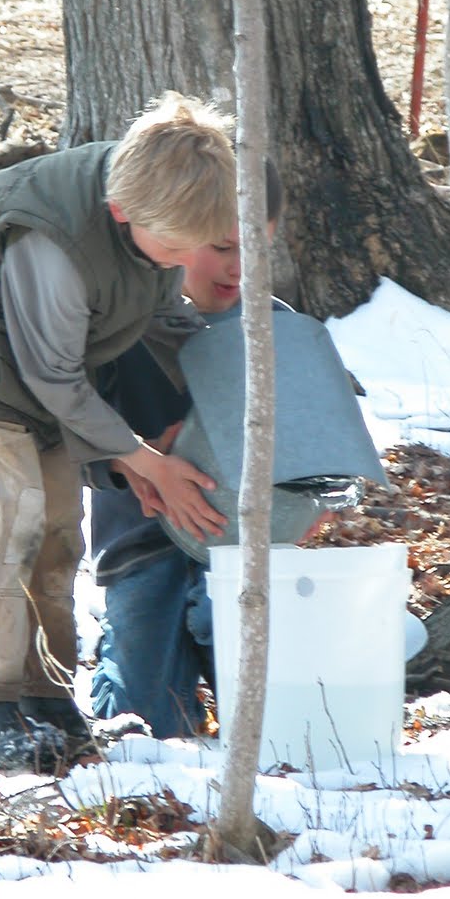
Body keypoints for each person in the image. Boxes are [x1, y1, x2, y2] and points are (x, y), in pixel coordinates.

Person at [0, 92, 233, 771]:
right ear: (122, 213)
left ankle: (48, 694)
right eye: (174, 248)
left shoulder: (156, 223)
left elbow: (142, 318)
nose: (181, 259)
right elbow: (53, 376)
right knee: (5, 522)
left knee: (59, 531)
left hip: (55, 368)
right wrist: (143, 460)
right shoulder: (52, 240)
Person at [88, 163, 284, 738]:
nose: (239, 266)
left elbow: (323, 448)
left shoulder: (277, 331)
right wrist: (138, 458)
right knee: (144, 725)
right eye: (222, 245)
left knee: (268, 717)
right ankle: (120, 654)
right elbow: (81, 439)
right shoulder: (125, 330)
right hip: (141, 548)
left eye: (257, 248)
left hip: (241, 555)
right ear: (177, 235)